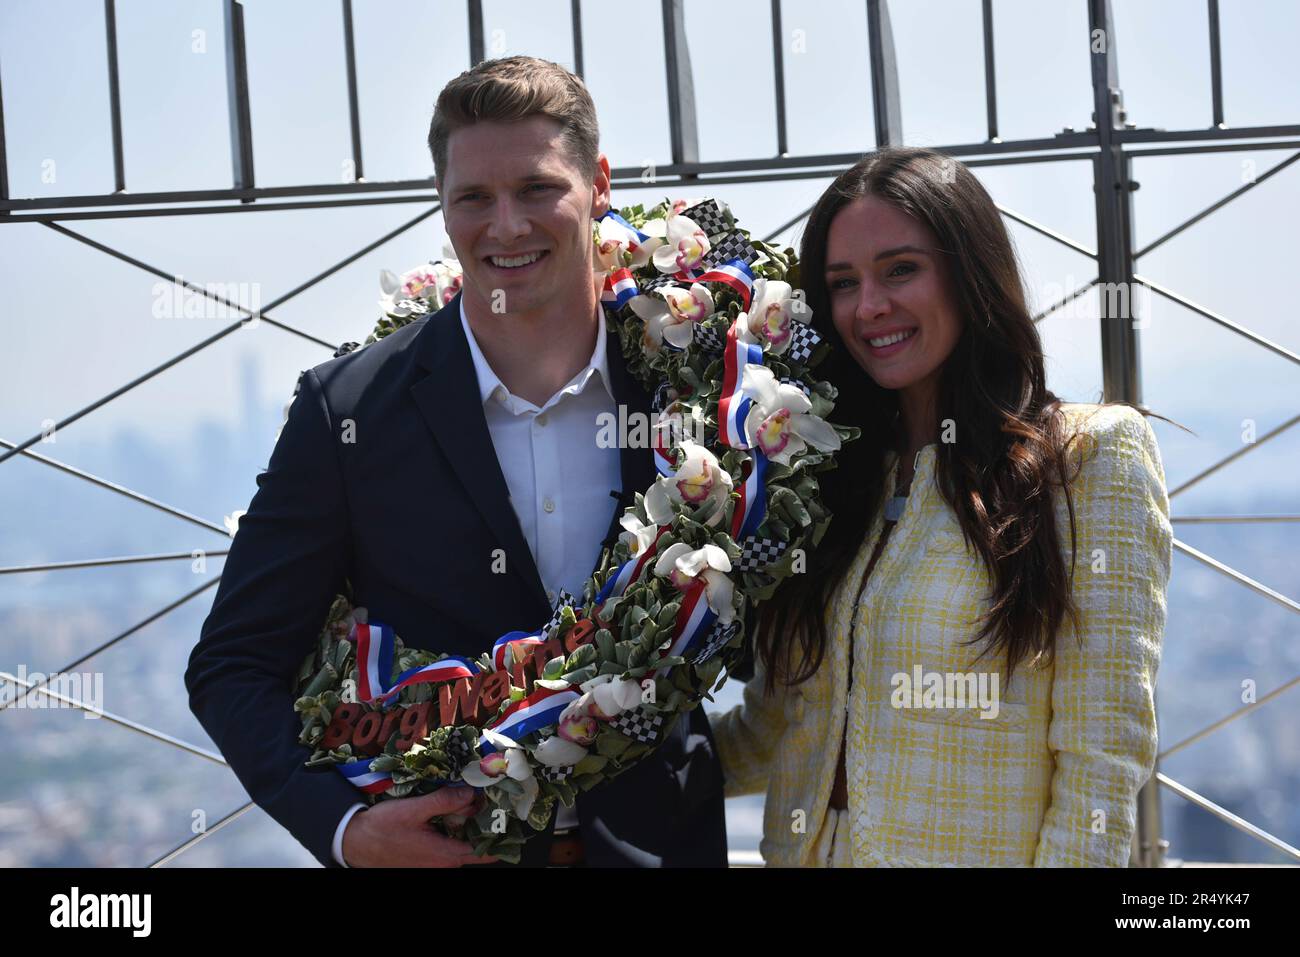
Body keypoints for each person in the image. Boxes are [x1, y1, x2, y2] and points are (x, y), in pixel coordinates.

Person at [185, 56, 727, 868]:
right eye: (474, 197)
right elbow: (232, 663)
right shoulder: (350, 410)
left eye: (538, 188)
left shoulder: (704, 379)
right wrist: (345, 831)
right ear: (443, 208)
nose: (505, 225)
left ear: (601, 184)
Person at [711, 146, 1175, 867]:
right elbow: (778, 723)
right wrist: (582, 767)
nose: (869, 307)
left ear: (969, 273)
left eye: (901, 269)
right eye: (842, 283)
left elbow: (1101, 764)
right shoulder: (825, 475)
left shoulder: (1089, 458)